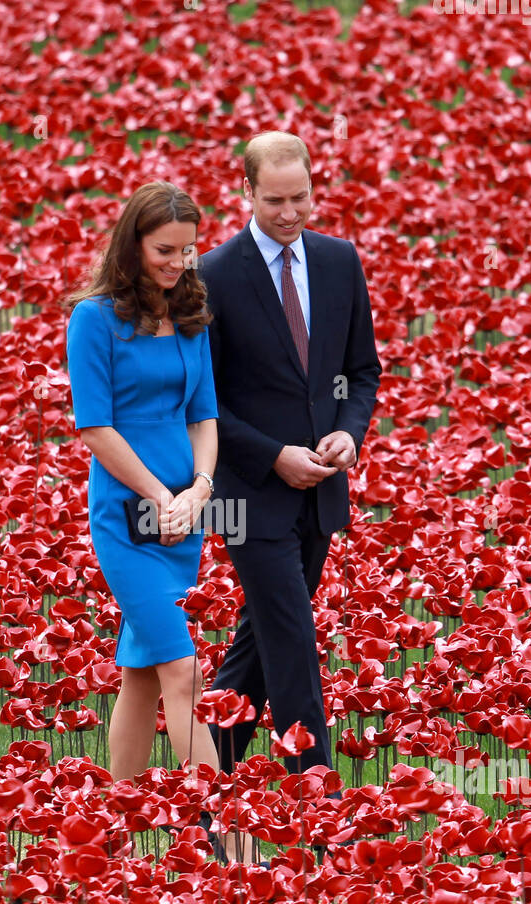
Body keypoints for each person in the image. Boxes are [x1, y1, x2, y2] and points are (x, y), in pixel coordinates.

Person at [65, 182, 255, 863]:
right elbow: (95, 425)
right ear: (133, 246)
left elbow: (203, 415)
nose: (176, 263)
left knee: (141, 673)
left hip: (184, 517)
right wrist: (160, 494)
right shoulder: (94, 320)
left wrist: (200, 489)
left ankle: (111, 830)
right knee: (183, 671)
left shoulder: (190, 315)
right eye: (162, 251)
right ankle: (225, 832)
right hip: (127, 516)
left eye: (186, 250)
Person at [197, 131, 381, 776]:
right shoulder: (213, 275)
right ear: (246, 192)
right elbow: (205, 399)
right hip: (248, 495)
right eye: (274, 200)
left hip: (322, 486)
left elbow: (361, 373)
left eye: (301, 197)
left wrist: (348, 433)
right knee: (294, 641)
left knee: (261, 639)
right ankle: (320, 798)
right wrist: (274, 455)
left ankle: (203, 778)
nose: (290, 213)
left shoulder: (338, 262)